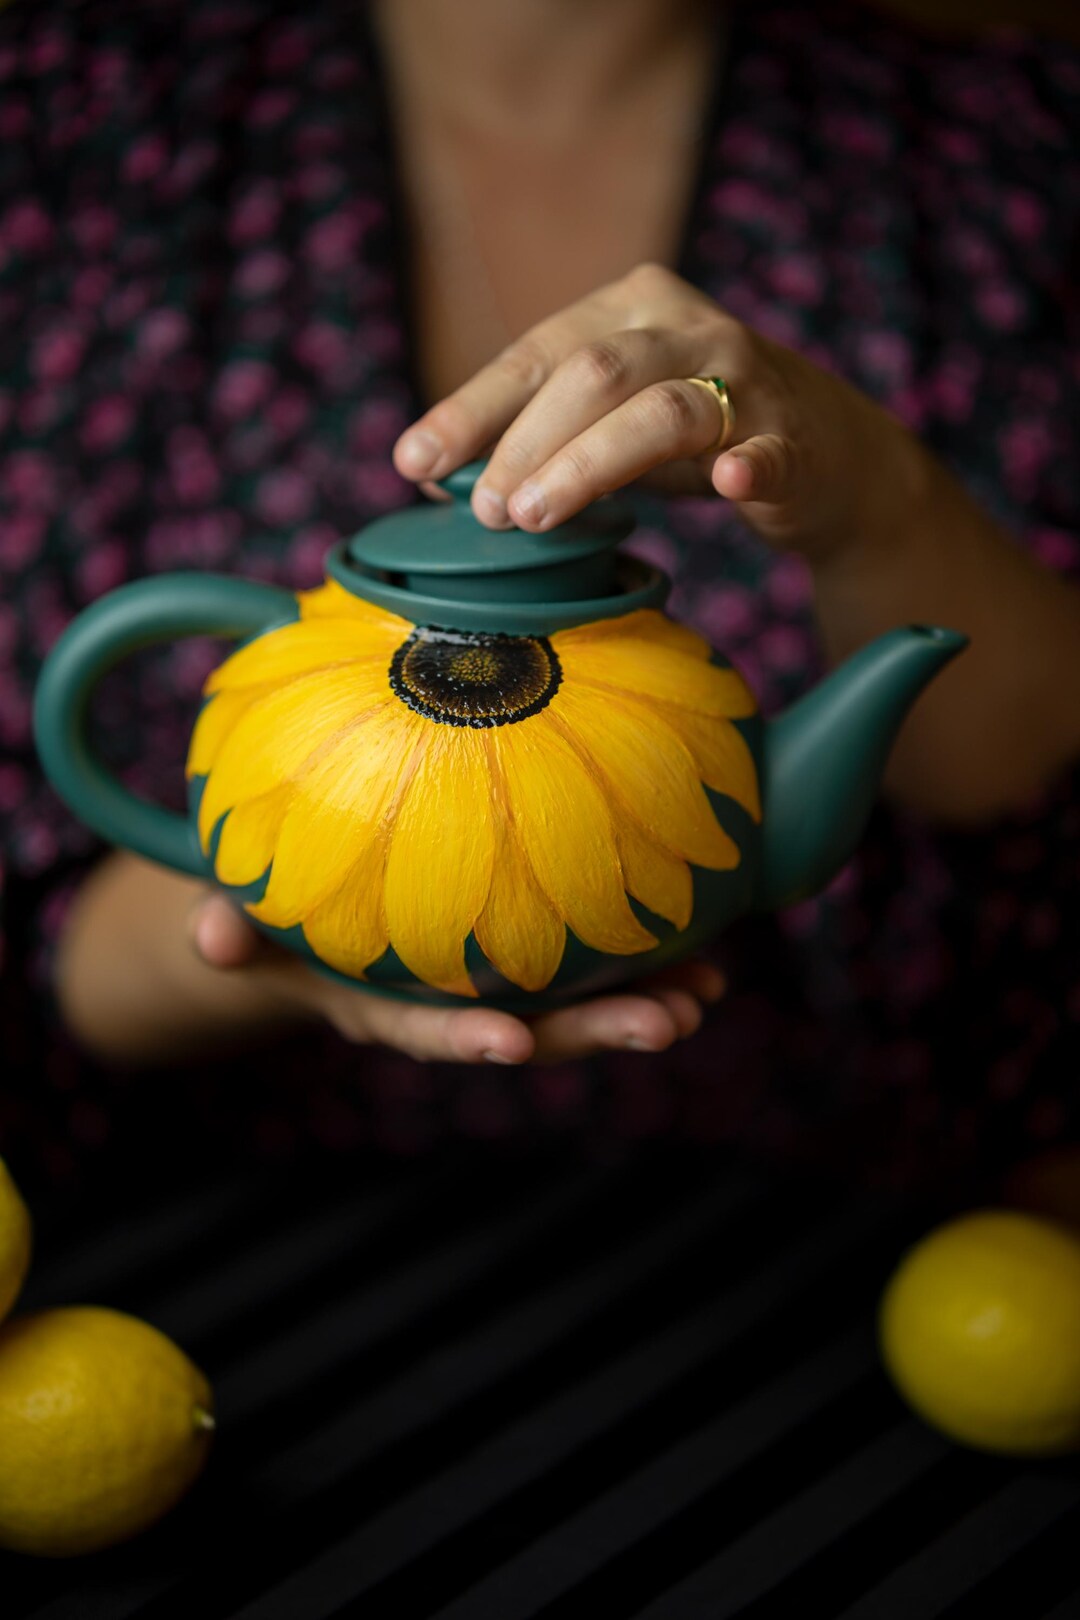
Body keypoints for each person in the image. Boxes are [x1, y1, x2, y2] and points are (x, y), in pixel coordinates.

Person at [1, 0, 1077, 1194]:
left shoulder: (1010, 146)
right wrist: (239, 921)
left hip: (850, 1206)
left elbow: (1021, 783)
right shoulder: (61, 118)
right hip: (222, 1213)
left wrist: (876, 492)